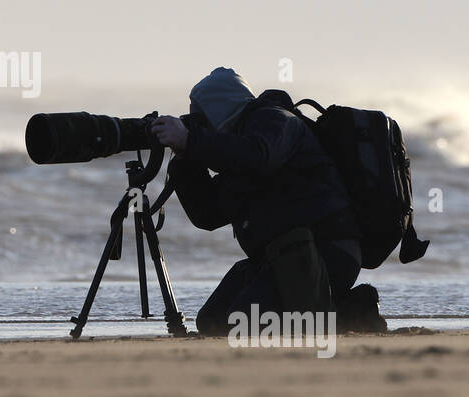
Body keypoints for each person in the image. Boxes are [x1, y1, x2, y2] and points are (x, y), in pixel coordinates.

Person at [151, 67, 387, 335]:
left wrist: (192, 140)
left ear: (219, 108)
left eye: (198, 115)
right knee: (212, 322)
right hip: (280, 256)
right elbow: (209, 214)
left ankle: (355, 310)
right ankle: (335, 308)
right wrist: (185, 159)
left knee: (240, 324)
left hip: (325, 250)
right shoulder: (238, 150)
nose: (196, 123)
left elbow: (258, 157)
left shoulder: (274, 120)